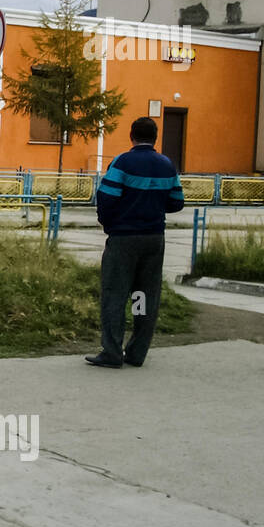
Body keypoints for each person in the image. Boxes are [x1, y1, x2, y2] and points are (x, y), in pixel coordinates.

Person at [86, 116, 184, 368]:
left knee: (115, 295)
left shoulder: (123, 162)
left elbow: (106, 198)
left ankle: (112, 351)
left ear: (132, 136)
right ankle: (137, 352)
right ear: (155, 137)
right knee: (143, 296)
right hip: (154, 239)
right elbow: (176, 202)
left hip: (124, 239)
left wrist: (108, 224)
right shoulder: (166, 164)